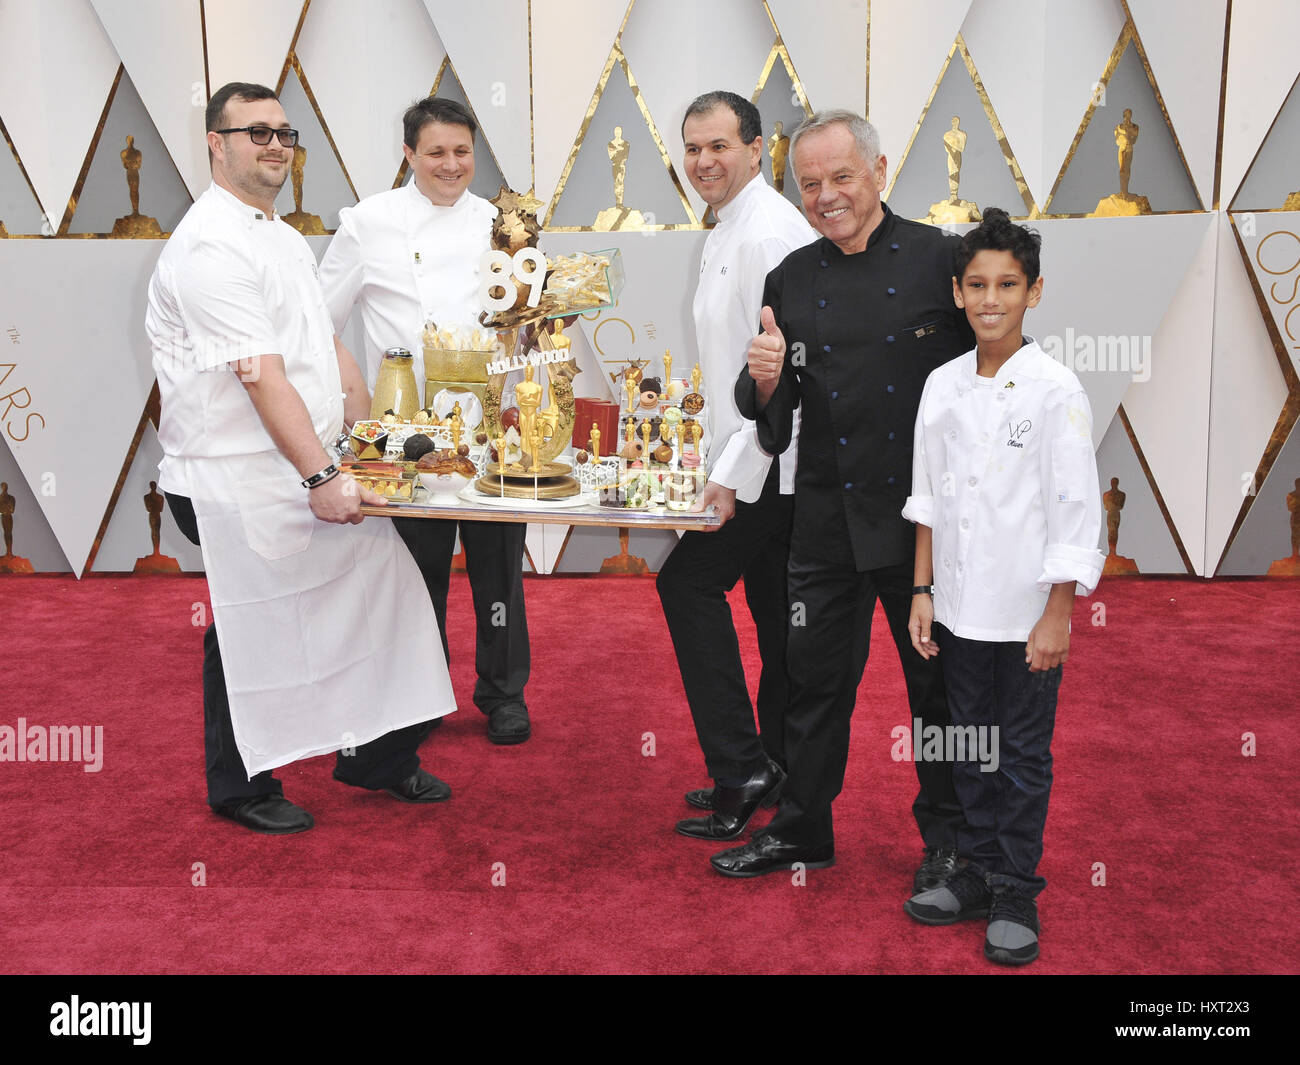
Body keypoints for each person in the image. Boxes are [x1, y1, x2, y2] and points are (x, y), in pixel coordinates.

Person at [147, 81, 457, 835]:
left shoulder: (281, 235)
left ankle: (375, 756)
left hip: (302, 465)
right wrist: (322, 475)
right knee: (251, 625)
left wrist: (376, 442)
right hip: (233, 480)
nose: (275, 145)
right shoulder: (208, 244)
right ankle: (242, 786)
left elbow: (327, 354)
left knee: (388, 591)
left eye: (285, 133)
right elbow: (262, 377)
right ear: (216, 144)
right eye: (256, 133)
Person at [718, 110, 971, 885]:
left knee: (939, 695)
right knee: (811, 683)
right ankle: (803, 829)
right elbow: (770, 414)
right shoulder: (791, 277)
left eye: (841, 177)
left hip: (921, 523)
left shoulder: (943, 260)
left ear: (880, 170)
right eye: (810, 183)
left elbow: (989, 382)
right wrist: (763, 377)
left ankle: (950, 842)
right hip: (824, 521)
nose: (826, 196)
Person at [902, 208, 1103, 965]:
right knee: (969, 746)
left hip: (1025, 614)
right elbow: (926, 498)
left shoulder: (1056, 390)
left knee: (1021, 753)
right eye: (978, 284)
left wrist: (1059, 610)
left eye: (1008, 285)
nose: (991, 299)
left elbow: (1074, 509)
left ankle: (1017, 884)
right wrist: (922, 590)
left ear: (1035, 291)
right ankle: (978, 871)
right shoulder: (942, 385)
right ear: (957, 291)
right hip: (955, 607)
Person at [319, 96, 531, 745]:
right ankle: (419, 691)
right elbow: (318, 321)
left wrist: (523, 395)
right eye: (436, 152)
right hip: (406, 433)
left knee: (499, 568)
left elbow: (522, 328)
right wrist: (357, 413)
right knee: (416, 571)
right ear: (408, 153)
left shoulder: (504, 224)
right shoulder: (368, 223)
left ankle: (503, 692)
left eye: (462, 152)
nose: (451, 165)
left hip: (488, 427)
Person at [657, 90, 816, 843]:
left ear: (757, 148)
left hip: (770, 463)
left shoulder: (770, 233)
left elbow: (783, 378)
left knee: (686, 584)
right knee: (773, 623)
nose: (703, 161)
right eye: (692, 148)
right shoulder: (728, 227)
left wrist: (730, 475)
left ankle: (742, 766)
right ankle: (770, 770)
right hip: (746, 457)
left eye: (718, 145)